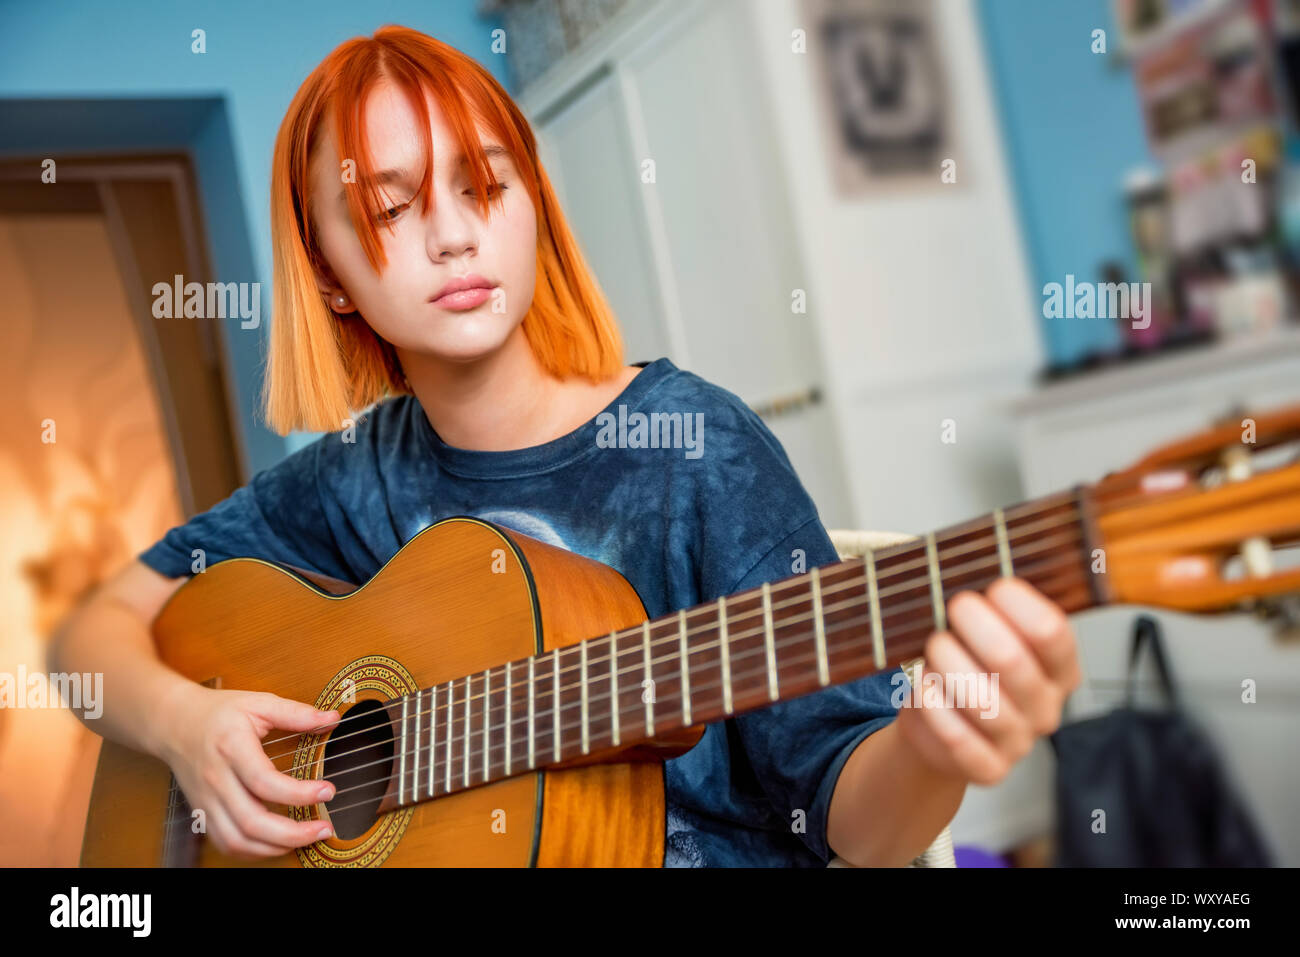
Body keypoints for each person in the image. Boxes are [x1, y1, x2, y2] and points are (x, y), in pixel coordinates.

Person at [51, 25, 1081, 867]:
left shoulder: (696, 450)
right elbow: (88, 639)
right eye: (391, 208)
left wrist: (934, 751)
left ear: (533, 204)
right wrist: (186, 729)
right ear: (327, 275)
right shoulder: (349, 480)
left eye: (485, 184)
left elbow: (856, 822)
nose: (452, 235)